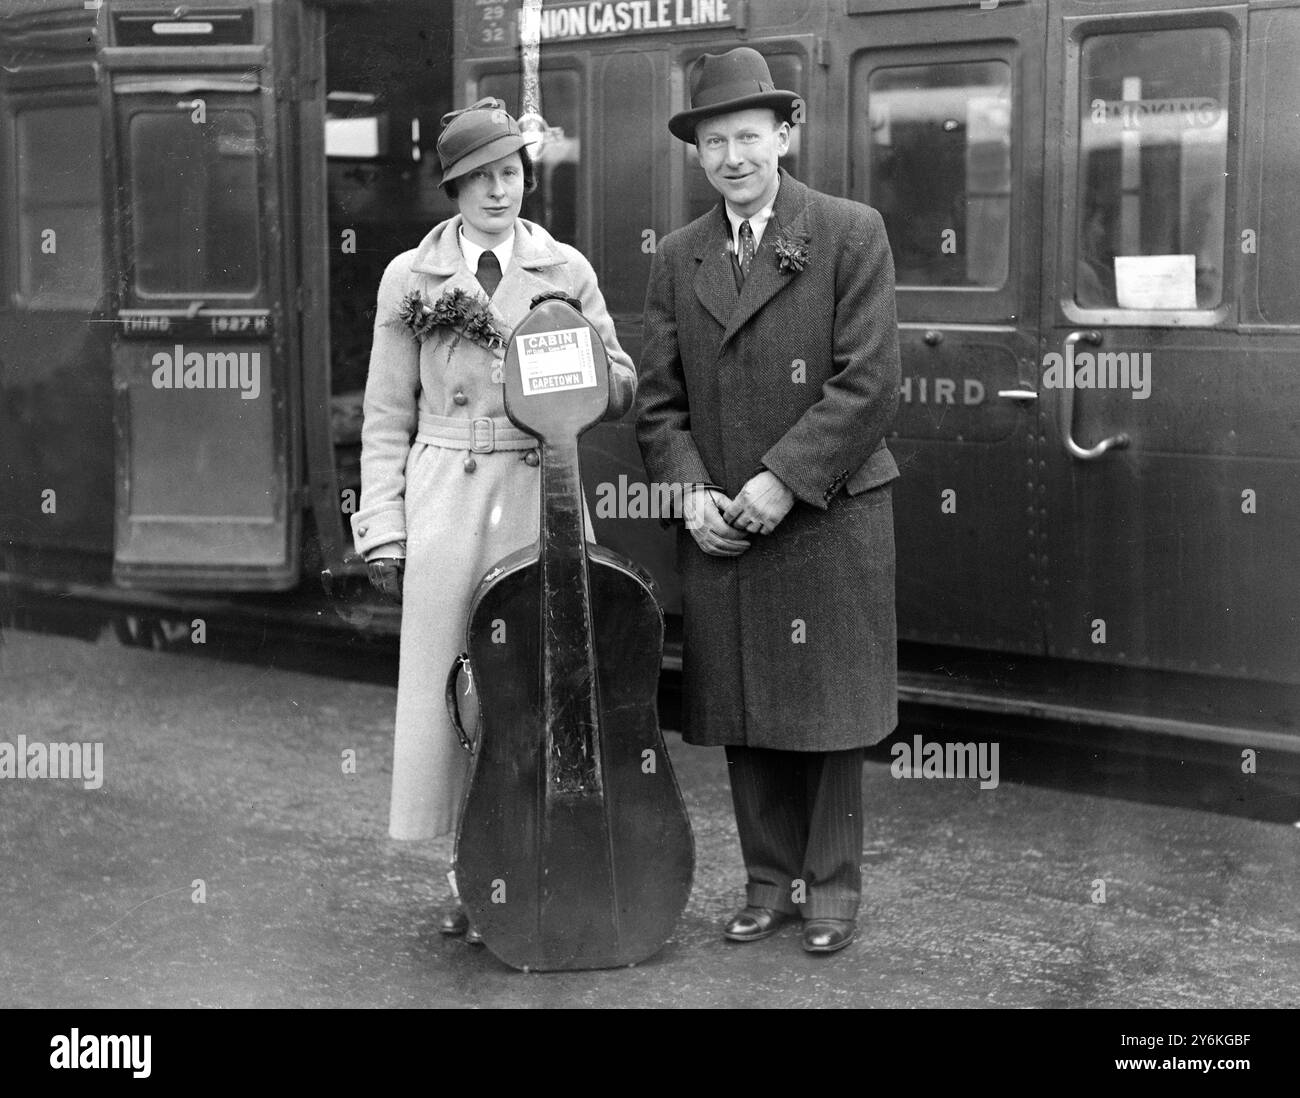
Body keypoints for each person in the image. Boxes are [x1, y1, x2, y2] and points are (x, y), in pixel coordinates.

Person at [635, 49, 901, 954]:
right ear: (696, 155)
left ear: (784, 136)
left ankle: (830, 890)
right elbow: (658, 402)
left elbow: (869, 384)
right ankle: (765, 883)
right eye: (715, 141)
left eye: (749, 136)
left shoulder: (849, 231)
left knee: (825, 713)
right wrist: (690, 497)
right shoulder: (678, 258)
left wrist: (780, 480)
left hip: (825, 516)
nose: (733, 156)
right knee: (746, 711)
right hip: (725, 525)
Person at [352, 98, 635, 943]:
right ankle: (472, 877)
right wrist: (385, 525)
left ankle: (547, 861)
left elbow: (619, 383)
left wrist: (579, 368)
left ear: (525, 177)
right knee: (460, 693)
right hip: (446, 495)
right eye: (479, 178)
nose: (498, 191)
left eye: (510, 173)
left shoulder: (565, 268)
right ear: (452, 188)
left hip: (540, 491)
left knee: (543, 686)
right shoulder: (410, 277)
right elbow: (383, 415)